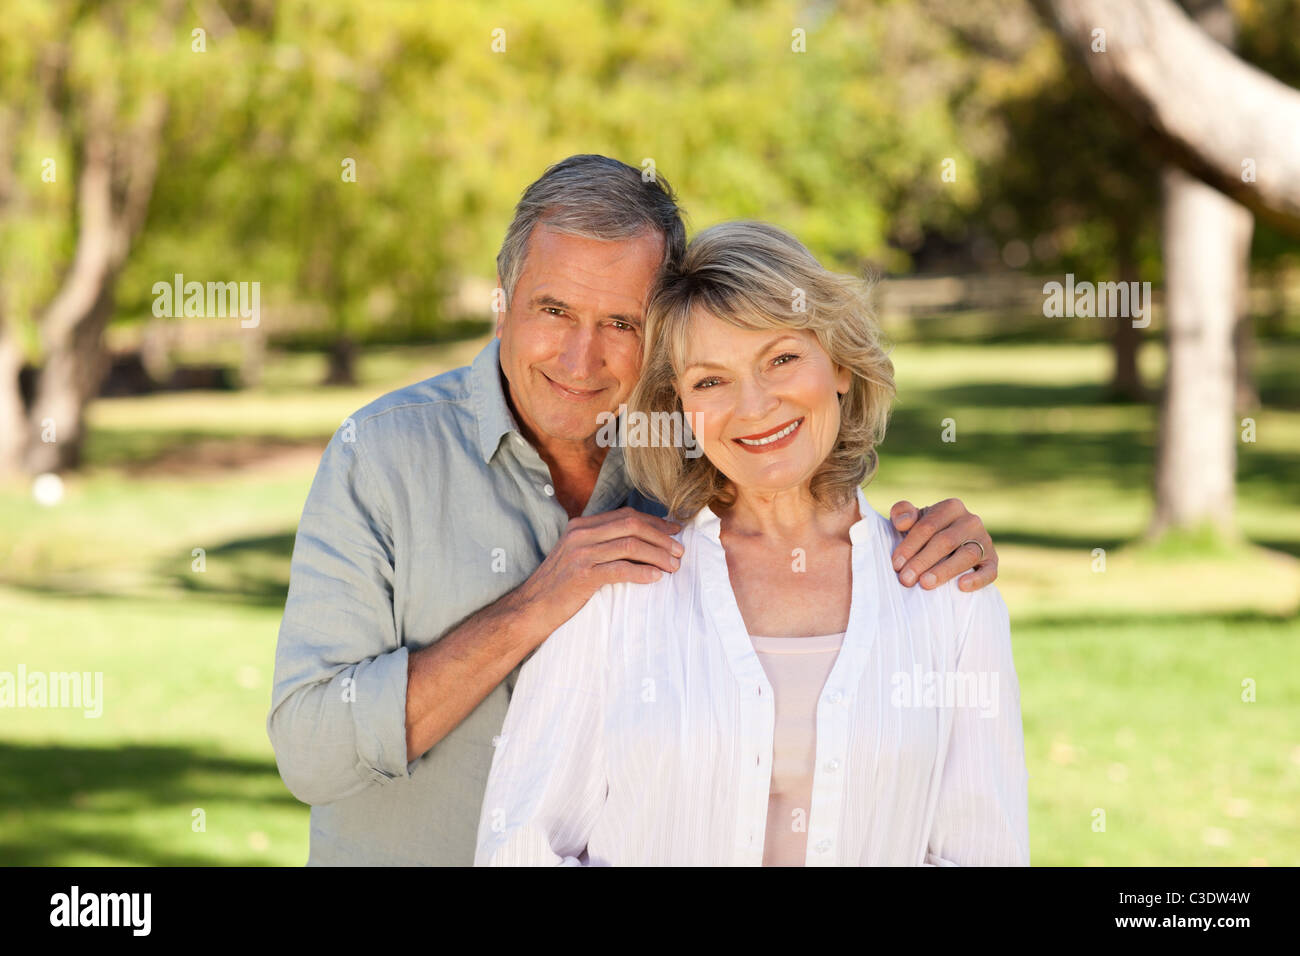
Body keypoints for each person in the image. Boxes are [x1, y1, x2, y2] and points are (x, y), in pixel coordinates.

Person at [268, 155, 1001, 865]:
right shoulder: (384, 455)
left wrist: (936, 556)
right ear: (503, 298)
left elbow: (781, 438)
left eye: (621, 323)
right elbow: (312, 754)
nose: (581, 359)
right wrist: (535, 606)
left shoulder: (688, 464)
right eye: (553, 310)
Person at [474, 220, 1028, 866]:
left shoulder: (949, 600)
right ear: (677, 407)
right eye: (711, 381)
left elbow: (982, 855)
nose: (755, 405)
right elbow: (521, 848)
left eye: (782, 359)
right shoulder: (615, 593)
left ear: (841, 365)